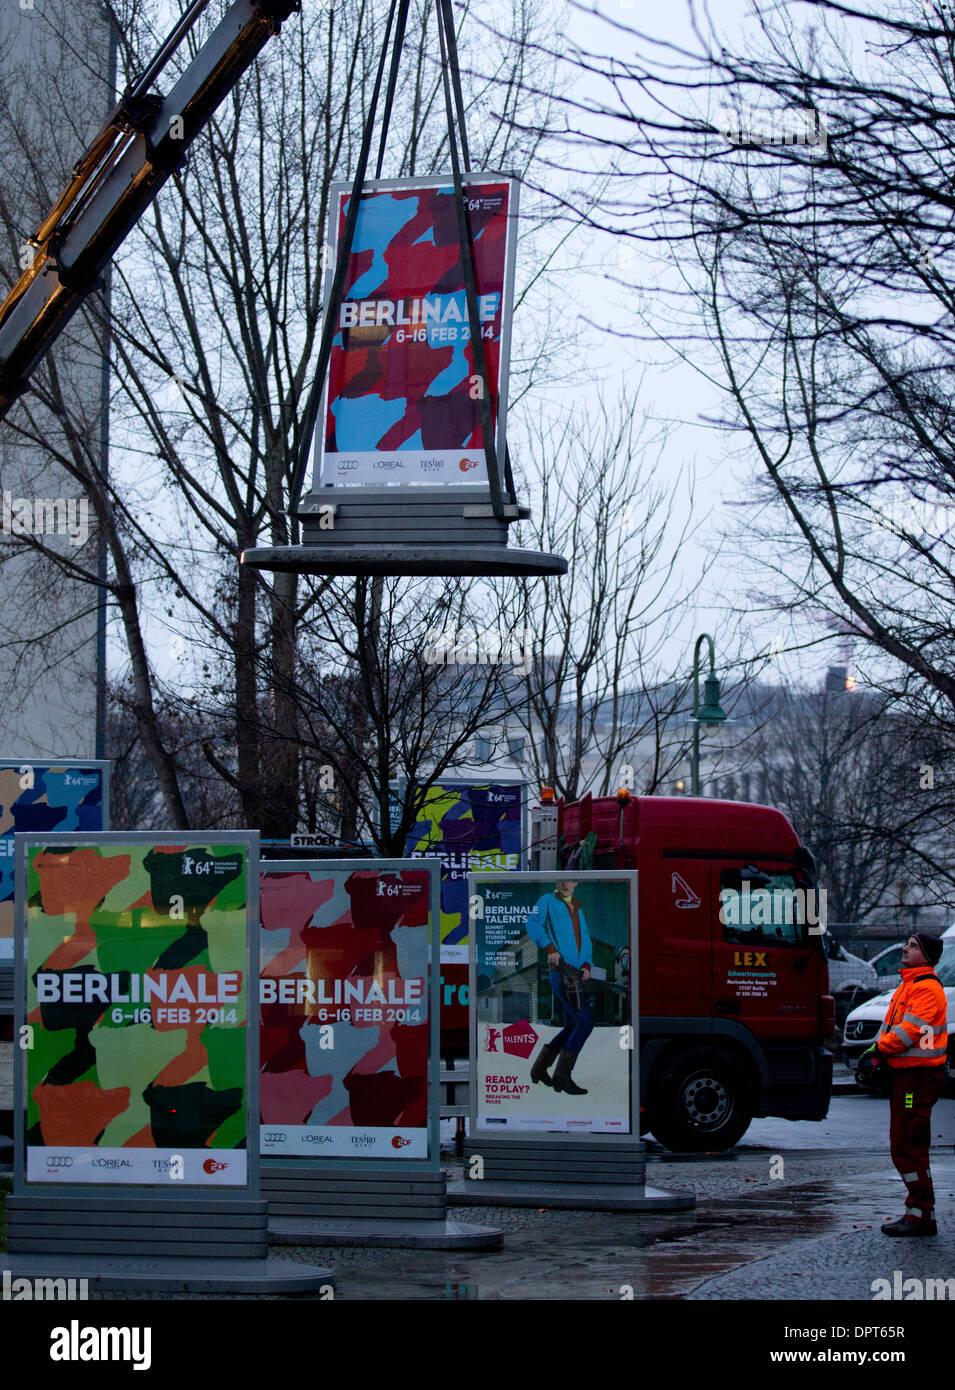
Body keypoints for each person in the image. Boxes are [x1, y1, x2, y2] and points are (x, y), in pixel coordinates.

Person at [861, 932, 948, 1236]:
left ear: (926, 955)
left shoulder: (925, 989)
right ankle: (919, 1210)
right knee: (907, 1143)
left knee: (908, 1144)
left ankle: (921, 1213)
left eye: (913, 946)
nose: (905, 949)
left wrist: (877, 1050)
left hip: (916, 1079)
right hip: (908, 1076)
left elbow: (909, 1031)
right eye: (907, 944)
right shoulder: (909, 985)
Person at [524, 880, 594, 1095]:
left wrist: (586, 964)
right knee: (584, 1024)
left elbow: (586, 940)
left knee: (573, 1025)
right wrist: (550, 948)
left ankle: (539, 1068)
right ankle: (562, 1077)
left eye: (570, 880)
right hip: (560, 972)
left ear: (576, 883)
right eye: (562, 880)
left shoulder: (578, 908)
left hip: (576, 975)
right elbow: (532, 923)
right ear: (557, 882)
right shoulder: (547, 900)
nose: (566, 884)